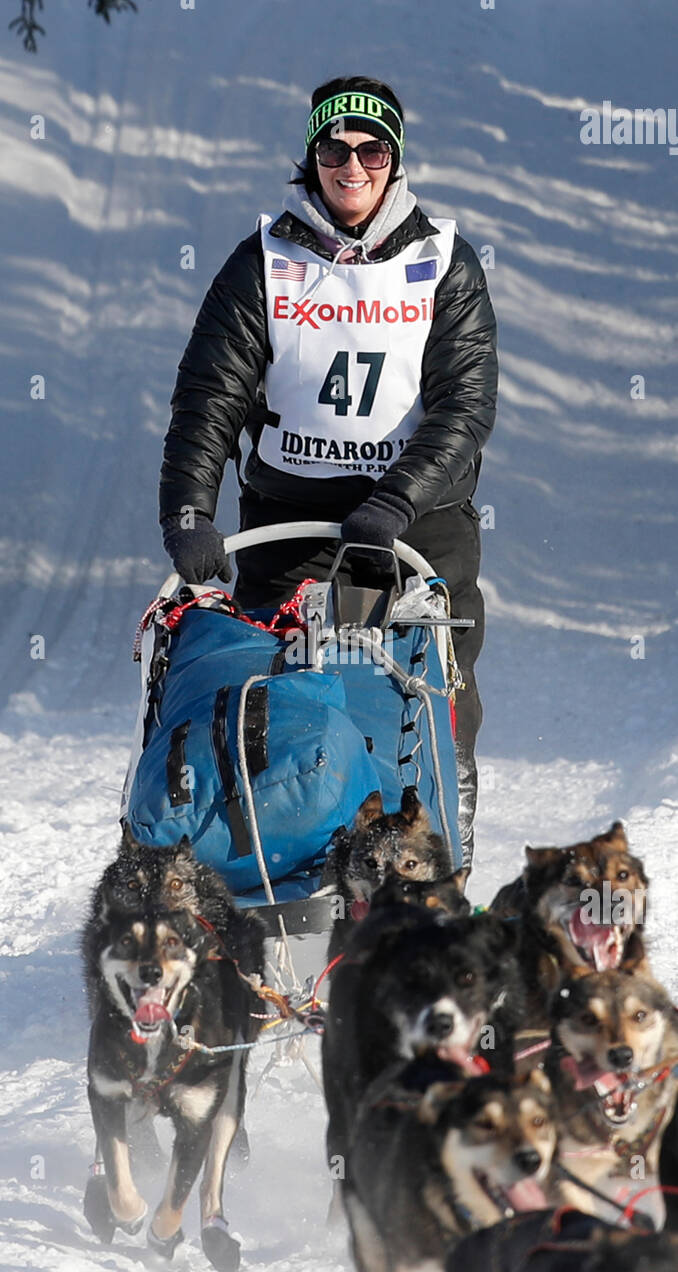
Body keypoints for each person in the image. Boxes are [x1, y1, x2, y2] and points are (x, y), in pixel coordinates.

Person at [159, 74, 498, 869]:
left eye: (371, 149)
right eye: (335, 148)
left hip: (418, 528)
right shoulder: (263, 263)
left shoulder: (443, 262)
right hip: (291, 526)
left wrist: (394, 502)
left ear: (396, 159)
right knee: (287, 702)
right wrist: (190, 515)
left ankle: (443, 861)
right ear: (311, 156)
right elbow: (210, 396)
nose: (353, 165)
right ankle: (287, 873)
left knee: (426, 699)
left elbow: (464, 406)